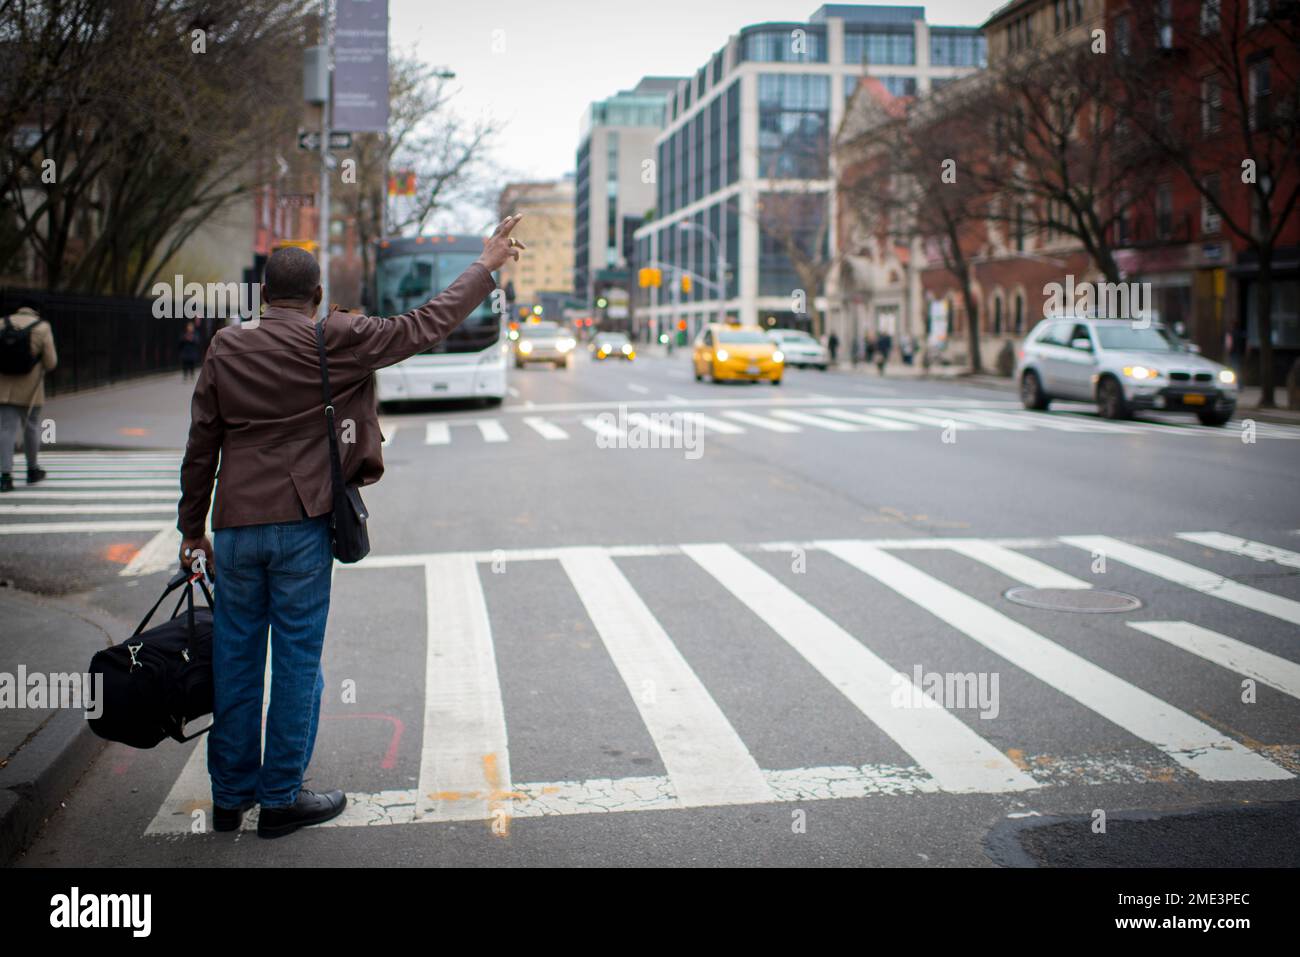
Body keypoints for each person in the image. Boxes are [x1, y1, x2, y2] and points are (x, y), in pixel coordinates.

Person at [176, 215, 525, 839]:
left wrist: (191, 527)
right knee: (297, 661)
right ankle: (280, 798)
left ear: (261, 296)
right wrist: (485, 265)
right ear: (315, 296)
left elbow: (202, 442)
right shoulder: (334, 337)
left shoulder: (226, 346)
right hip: (303, 521)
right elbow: (427, 323)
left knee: (234, 660)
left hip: (233, 526)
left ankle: (228, 798)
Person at [0, 302, 57, 493]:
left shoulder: (2, 324)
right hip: (30, 389)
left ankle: (5, 476)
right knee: (31, 428)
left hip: (4, 388)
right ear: (35, 311)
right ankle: (32, 469)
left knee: (6, 430)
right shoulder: (42, 327)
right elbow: (51, 362)